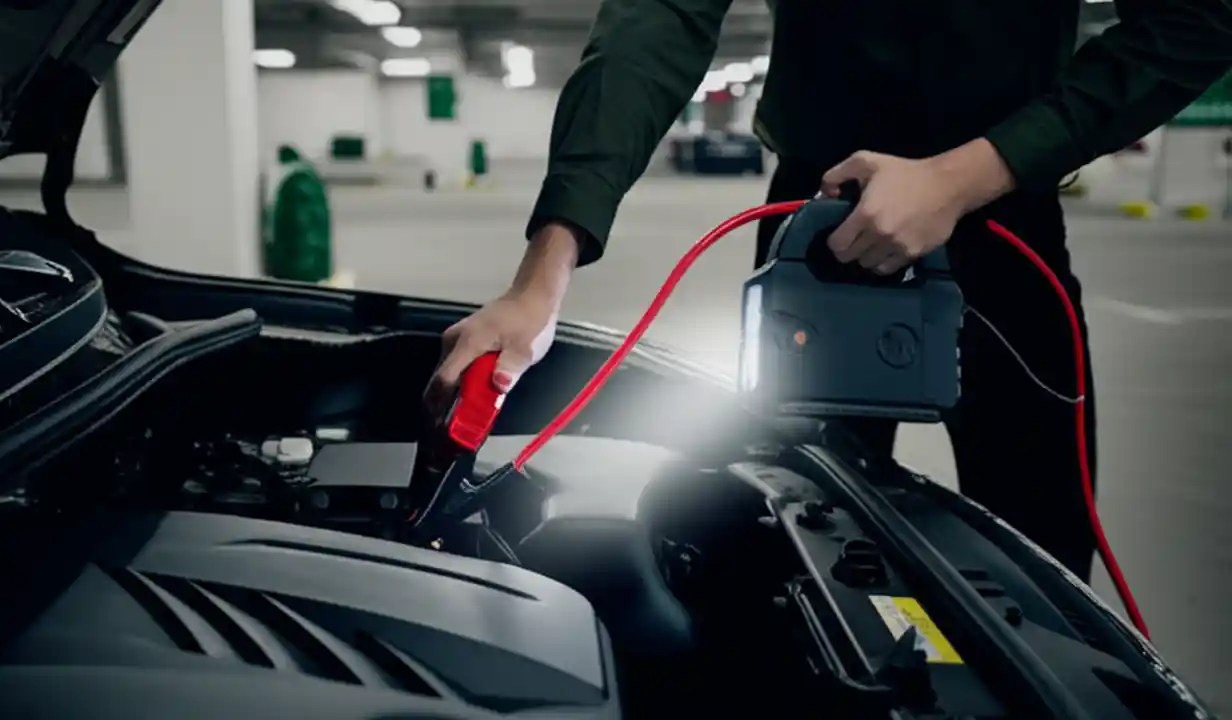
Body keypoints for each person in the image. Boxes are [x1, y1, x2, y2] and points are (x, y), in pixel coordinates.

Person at [425, 0, 1232, 580]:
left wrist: (964, 176)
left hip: (1004, 220)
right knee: (783, 540)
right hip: (819, 232)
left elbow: (1195, 19)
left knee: (1042, 559)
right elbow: (658, 18)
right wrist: (543, 276)